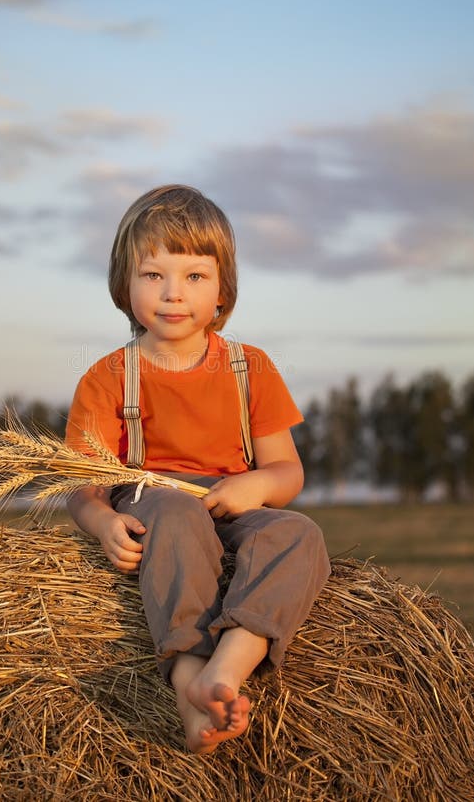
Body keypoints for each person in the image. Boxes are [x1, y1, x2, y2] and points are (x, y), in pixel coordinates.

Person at [65, 184, 330, 754]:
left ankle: (229, 666)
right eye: (153, 275)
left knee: (299, 534)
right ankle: (188, 671)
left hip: (234, 501)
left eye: (194, 276)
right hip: (152, 497)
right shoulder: (109, 378)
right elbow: (82, 487)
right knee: (179, 513)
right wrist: (102, 523)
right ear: (124, 284)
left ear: (221, 289)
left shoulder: (249, 368)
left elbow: (286, 471)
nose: (172, 294)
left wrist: (256, 484)